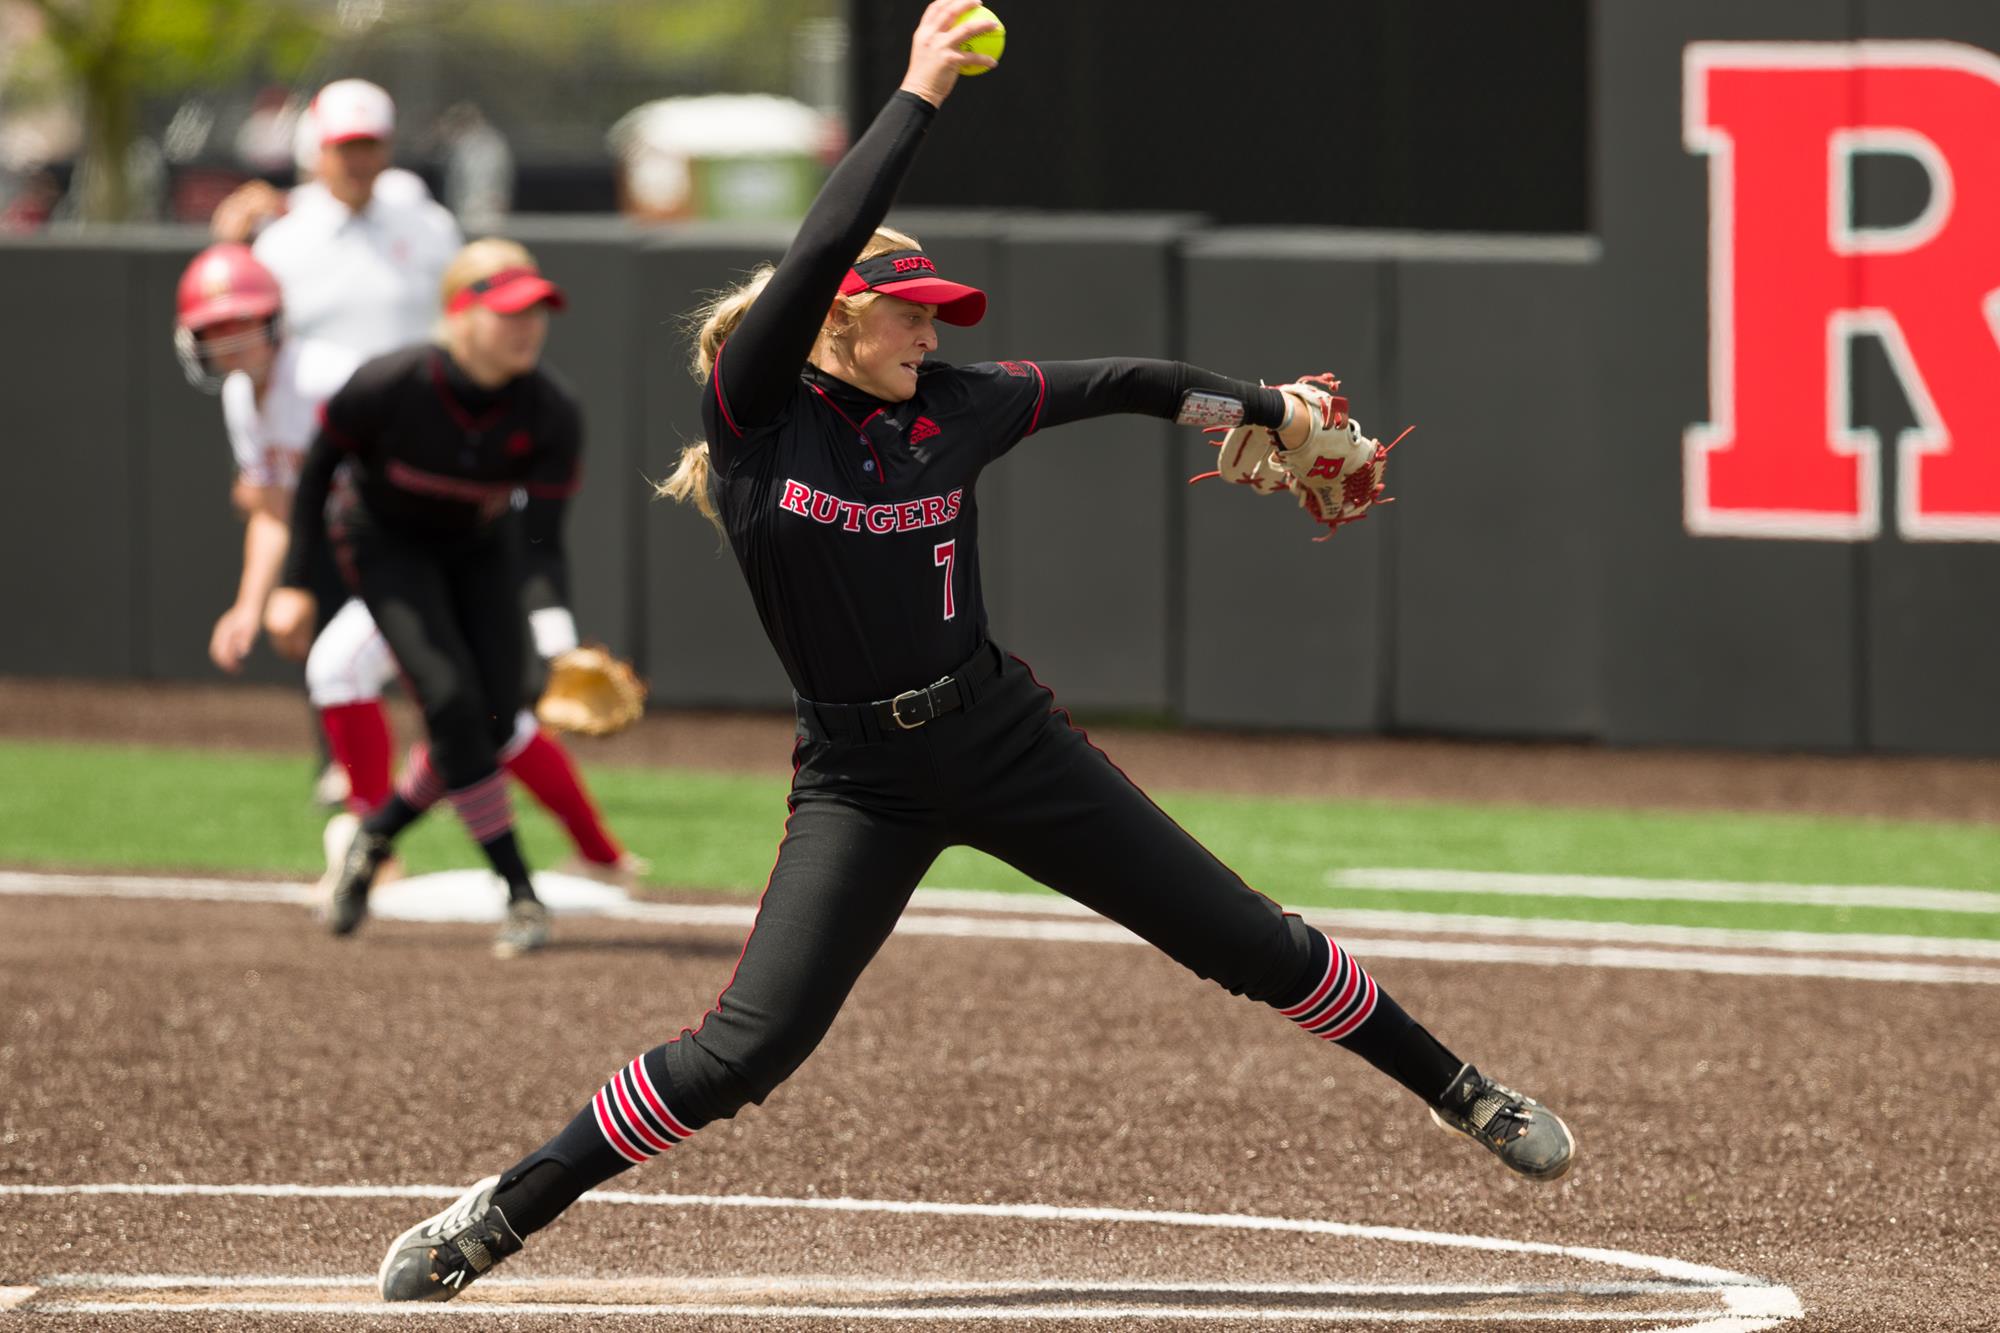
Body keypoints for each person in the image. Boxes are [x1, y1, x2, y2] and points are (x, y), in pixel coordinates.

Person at [371, 1, 1576, 1301]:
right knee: (742, 1051)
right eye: (909, 316)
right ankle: (499, 1212)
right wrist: (922, 93)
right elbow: (828, 238)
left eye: (938, 316)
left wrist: (1266, 406)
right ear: (834, 320)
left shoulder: (959, 405)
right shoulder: (760, 418)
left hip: (1000, 738)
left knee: (1246, 938)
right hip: (861, 781)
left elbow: (1123, 381)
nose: (931, 332)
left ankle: (1463, 1089)